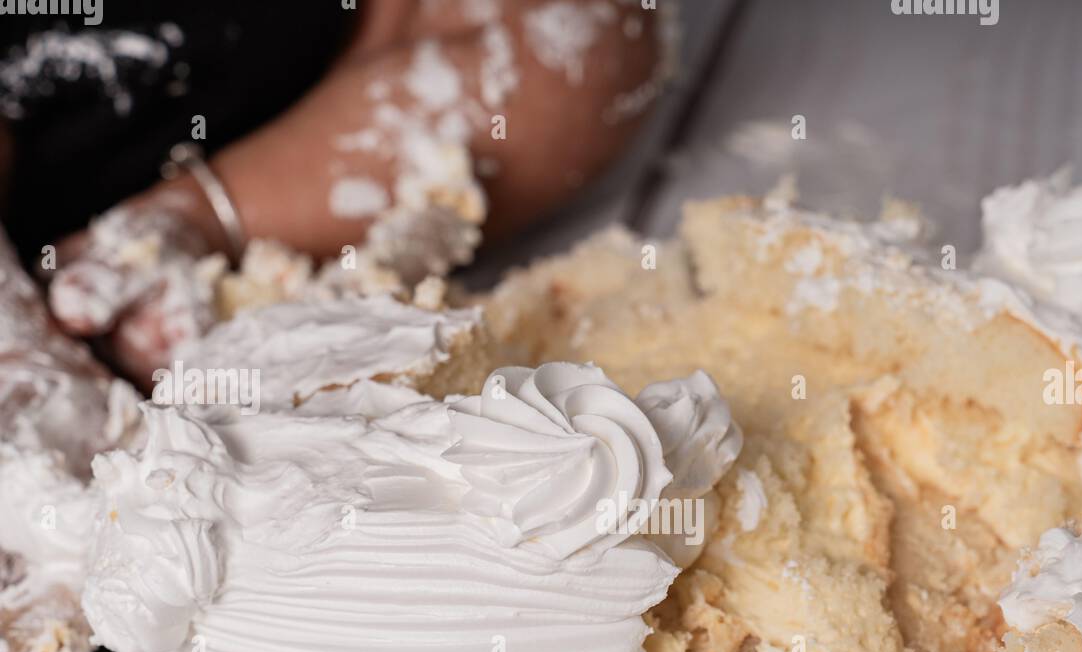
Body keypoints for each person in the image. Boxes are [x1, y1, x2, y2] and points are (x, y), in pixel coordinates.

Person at [0, 0, 662, 386]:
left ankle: (169, 234)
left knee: (586, 38)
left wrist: (205, 216)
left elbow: (580, 40)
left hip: (280, 125)